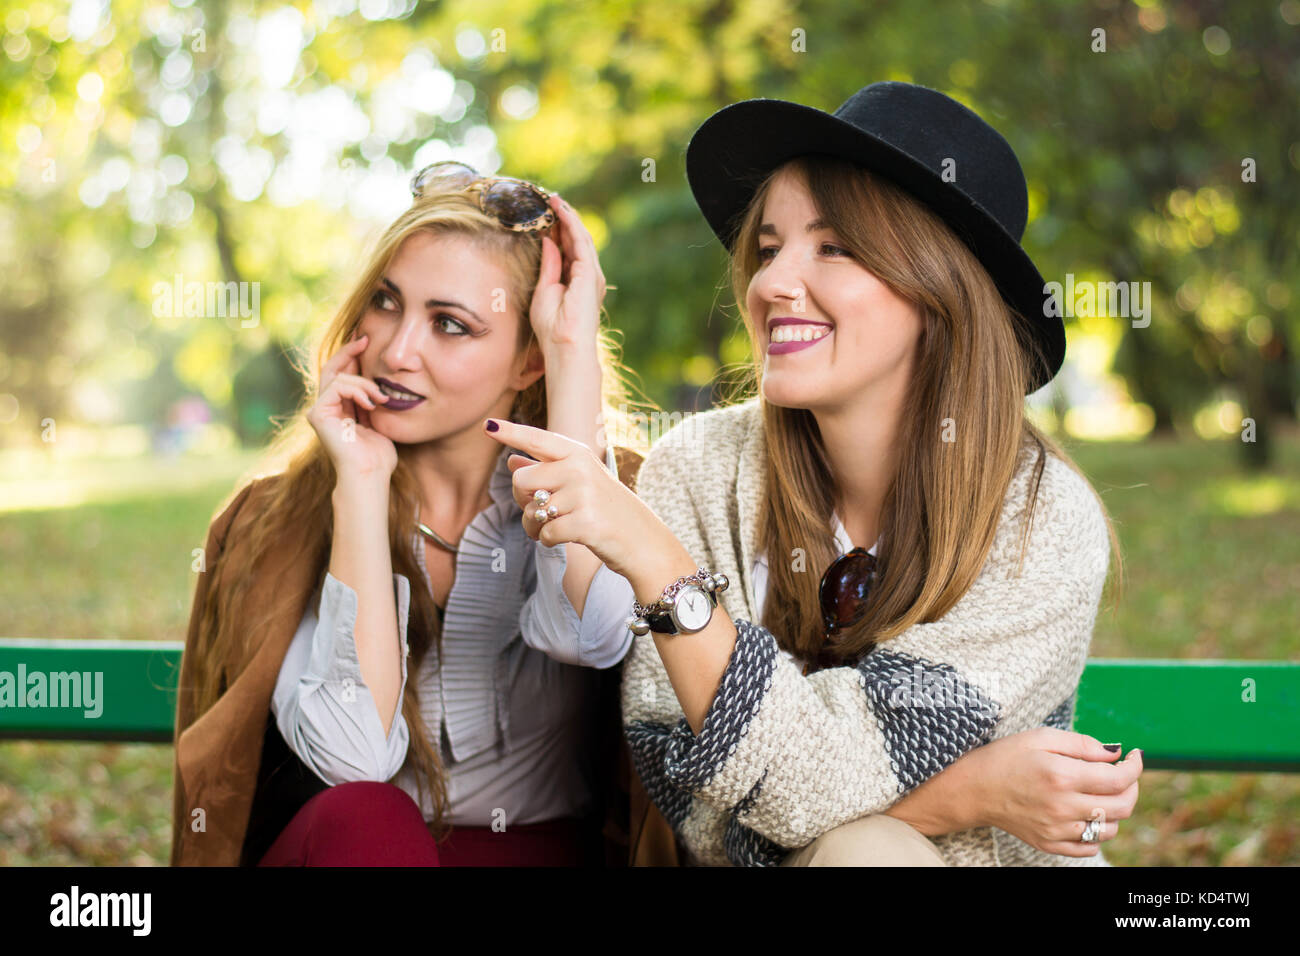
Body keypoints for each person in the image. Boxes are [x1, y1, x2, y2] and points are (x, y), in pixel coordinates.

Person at [484, 81, 1143, 866]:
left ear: (939, 293)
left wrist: (665, 573)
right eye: (769, 248)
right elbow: (682, 787)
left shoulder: (1039, 518)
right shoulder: (697, 470)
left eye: (833, 247)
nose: (770, 283)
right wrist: (974, 793)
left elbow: (820, 783)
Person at [171, 161, 650, 866]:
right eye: (387, 302)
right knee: (366, 820)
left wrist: (573, 358)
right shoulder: (276, 519)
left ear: (527, 362)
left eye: (450, 325)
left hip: (543, 850)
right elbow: (353, 757)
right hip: (355, 855)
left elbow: (591, 634)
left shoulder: (630, 493)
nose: (397, 352)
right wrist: (360, 487)